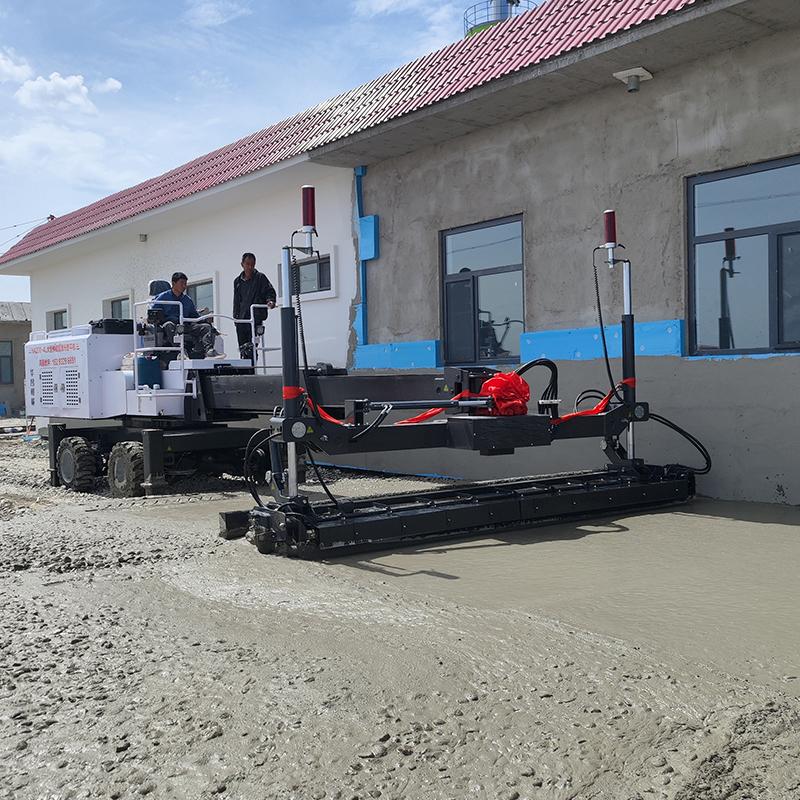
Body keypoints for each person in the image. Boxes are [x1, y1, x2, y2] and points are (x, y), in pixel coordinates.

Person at [152, 271, 219, 358]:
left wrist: (207, 321)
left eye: (185, 283)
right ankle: (181, 351)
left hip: (185, 326)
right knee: (169, 325)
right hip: (171, 326)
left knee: (205, 327)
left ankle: (209, 351)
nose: (184, 286)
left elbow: (195, 317)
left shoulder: (187, 300)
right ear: (173, 283)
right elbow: (153, 314)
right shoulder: (163, 297)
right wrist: (168, 319)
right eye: (182, 283)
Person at [232, 252, 276, 360]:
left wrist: (270, 301)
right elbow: (236, 301)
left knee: (252, 347)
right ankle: (246, 368)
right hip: (241, 320)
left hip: (255, 318)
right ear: (242, 264)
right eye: (247, 264)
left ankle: (252, 367)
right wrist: (235, 317)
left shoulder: (260, 277)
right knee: (243, 348)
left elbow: (269, 291)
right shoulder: (237, 281)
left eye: (252, 264)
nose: (250, 267)